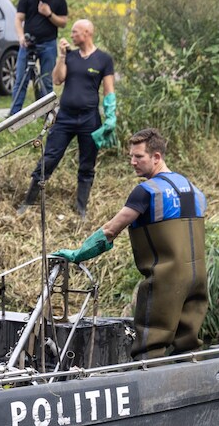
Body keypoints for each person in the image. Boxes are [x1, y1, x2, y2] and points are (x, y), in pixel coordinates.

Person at [51, 128, 208, 358]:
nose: (133, 162)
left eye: (139, 157)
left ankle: (147, 390)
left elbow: (110, 230)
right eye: (131, 157)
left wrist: (78, 254)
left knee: (151, 344)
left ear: (156, 157)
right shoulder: (193, 189)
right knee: (188, 344)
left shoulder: (146, 192)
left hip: (165, 282)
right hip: (198, 279)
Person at [17, 19, 116, 219]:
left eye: (75, 32)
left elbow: (108, 91)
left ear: (87, 33)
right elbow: (57, 79)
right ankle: (29, 201)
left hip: (90, 119)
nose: (71, 35)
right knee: (50, 157)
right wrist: (61, 56)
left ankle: (81, 209)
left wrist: (111, 116)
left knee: (87, 164)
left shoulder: (104, 60)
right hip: (65, 118)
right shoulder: (69, 57)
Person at [8, 0, 69, 116]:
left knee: (46, 80)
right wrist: (21, 37)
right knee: (21, 79)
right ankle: (14, 114)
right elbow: (18, 19)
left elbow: (63, 22)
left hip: (48, 44)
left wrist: (49, 14)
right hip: (28, 45)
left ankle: (47, 113)